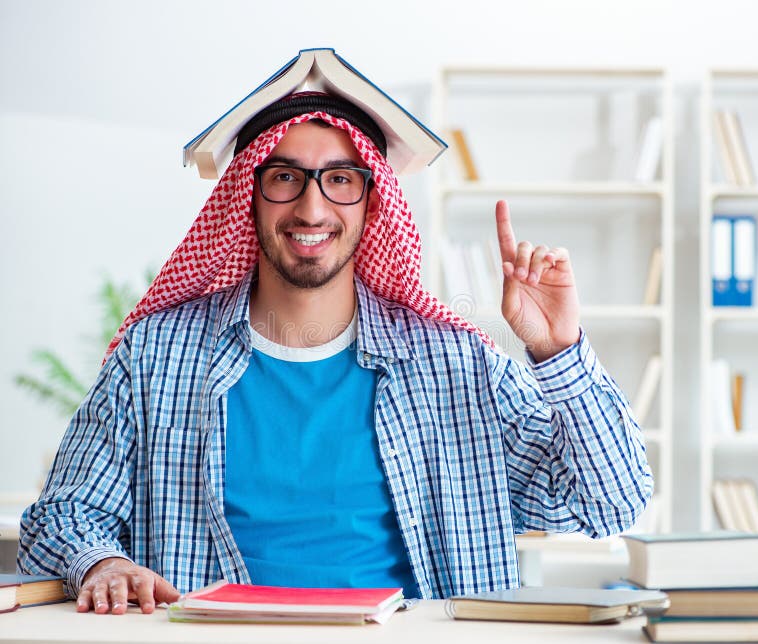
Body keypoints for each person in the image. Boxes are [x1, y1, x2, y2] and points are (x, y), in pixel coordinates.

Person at [18, 66, 653, 616]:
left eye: (341, 180)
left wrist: (559, 351)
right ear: (249, 195)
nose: (312, 209)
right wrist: (99, 563)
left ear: (372, 202)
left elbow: (609, 505)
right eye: (285, 178)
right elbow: (59, 518)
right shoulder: (155, 357)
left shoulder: (456, 364)